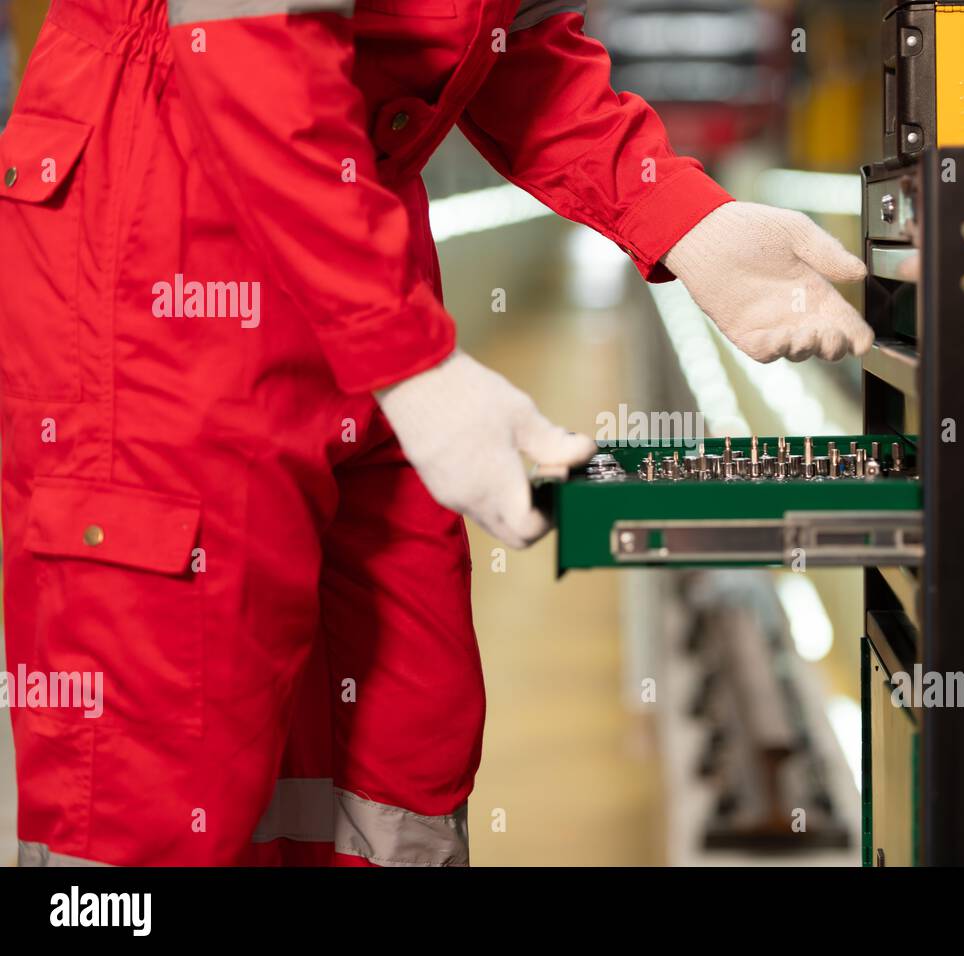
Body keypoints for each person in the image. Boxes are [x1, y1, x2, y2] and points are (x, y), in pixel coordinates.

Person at [0, 0, 873, 866]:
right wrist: (407, 362)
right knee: (163, 777)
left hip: (358, 240)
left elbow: (513, 43)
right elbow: (245, 44)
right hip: (156, 265)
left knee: (400, 740)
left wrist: (682, 214)